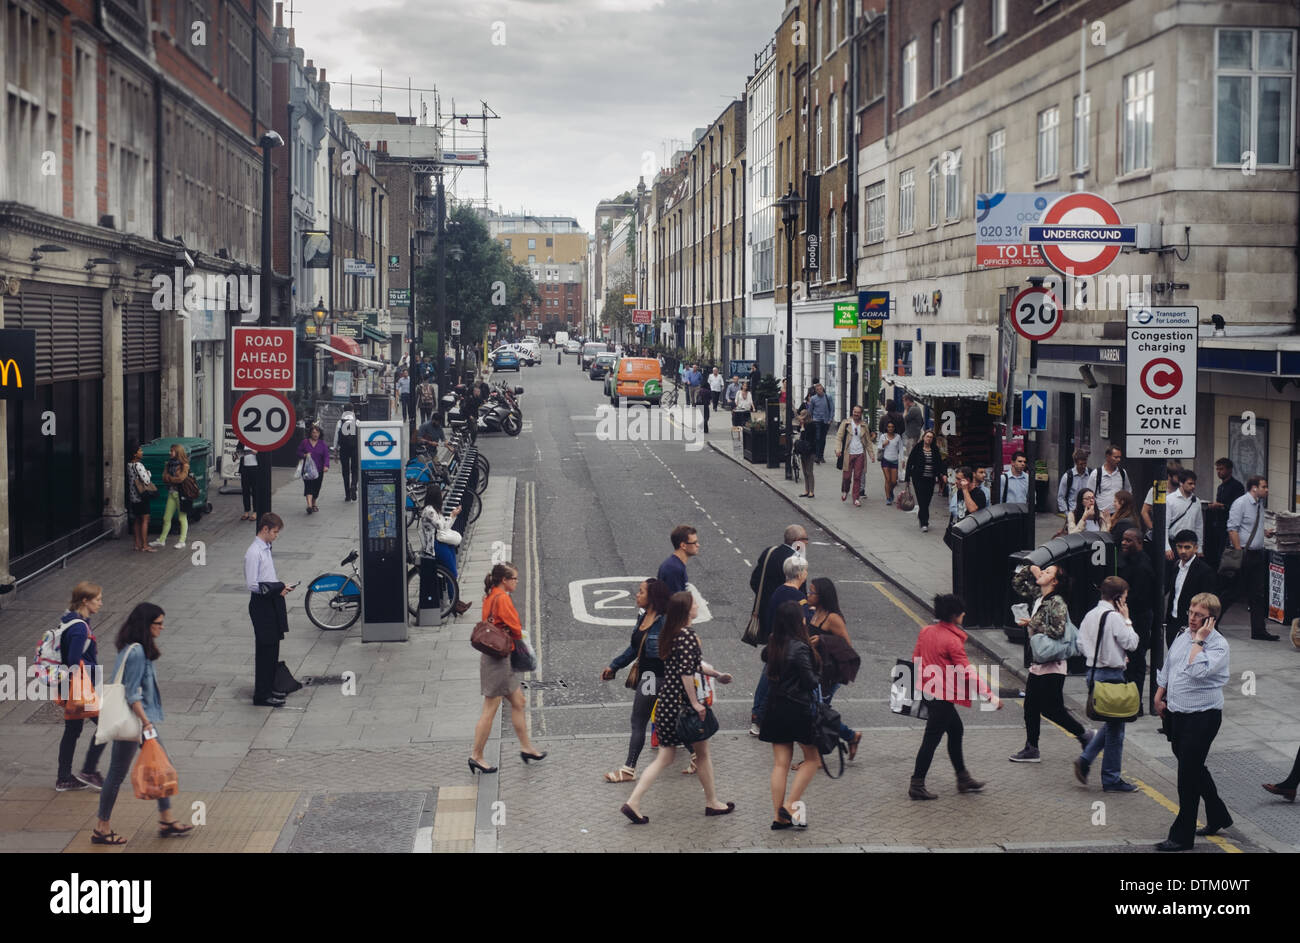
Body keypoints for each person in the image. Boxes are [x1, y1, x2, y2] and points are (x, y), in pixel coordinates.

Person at [620, 591, 735, 823]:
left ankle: (633, 802)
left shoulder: (670, 634)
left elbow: (691, 664)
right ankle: (712, 803)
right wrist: (695, 703)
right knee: (702, 754)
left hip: (666, 705)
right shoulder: (689, 635)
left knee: (666, 756)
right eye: (694, 603)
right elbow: (686, 672)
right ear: (687, 610)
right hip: (682, 707)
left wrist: (717, 674)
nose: (698, 605)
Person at [91, 603, 193, 845]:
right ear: (146, 625)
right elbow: (132, 694)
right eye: (158, 623)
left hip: (141, 720)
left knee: (161, 765)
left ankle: (166, 819)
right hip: (135, 721)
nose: (162, 627)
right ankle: (101, 828)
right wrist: (146, 723)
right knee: (117, 773)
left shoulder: (138, 648)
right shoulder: (136, 652)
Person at [1154, 593, 1232, 850]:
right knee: (1194, 767)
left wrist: (1200, 641)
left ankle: (1181, 836)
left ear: (1211, 619)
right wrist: (1159, 693)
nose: (1192, 618)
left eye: (1199, 615)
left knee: (1187, 775)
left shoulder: (1218, 645)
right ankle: (1218, 813)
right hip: (1177, 713)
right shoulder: (1181, 635)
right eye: (1190, 612)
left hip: (1203, 716)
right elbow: (1170, 664)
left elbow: (1197, 671)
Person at [908, 593, 1002, 800]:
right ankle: (917, 783)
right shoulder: (952, 641)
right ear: (954, 616)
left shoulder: (926, 632)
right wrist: (989, 695)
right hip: (941, 697)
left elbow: (915, 659)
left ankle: (963, 777)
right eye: (961, 612)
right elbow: (967, 672)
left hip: (928, 692)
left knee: (956, 730)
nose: (964, 614)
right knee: (931, 740)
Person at [469, 563, 547, 774]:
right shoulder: (502, 598)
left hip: (497, 657)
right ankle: (476, 755)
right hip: (497, 662)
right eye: (514, 579)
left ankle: (526, 747)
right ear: (505, 580)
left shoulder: (491, 595)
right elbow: (514, 627)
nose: (516, 582)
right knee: (489, 710)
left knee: (519, 701)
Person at [1010, 563, 1091, 762]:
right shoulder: (1040, 596)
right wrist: (1030, 569)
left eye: (1048, 572)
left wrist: (1032, 623)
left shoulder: (1057, 602)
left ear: (1054, 581)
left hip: (1053, 663)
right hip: (1039, 662)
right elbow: (1017, 585)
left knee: (1052, 709)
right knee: (1030, 706)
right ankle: (1032, 748)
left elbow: (1058, 630)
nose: (1043, 572)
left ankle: (1085, 735)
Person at [601, 578, 674, 783]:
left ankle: (628, 770)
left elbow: (675, 648)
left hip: (660, 677)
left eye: (641, 592)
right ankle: (697, 755)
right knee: (663, 721)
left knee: (640, 720)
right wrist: (614, 665)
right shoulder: (642, 616)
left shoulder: (665, 620)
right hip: (649, 676)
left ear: (652, 597)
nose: (637, 594)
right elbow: (635, 647)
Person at [1074, 576, 1140, 791]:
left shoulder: (1090, 615)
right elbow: (1131, 643)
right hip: (1111, 676)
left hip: (1092, 674)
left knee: (1111, 724)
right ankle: (1111, 779)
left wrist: (1100, 654)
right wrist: (1127, 619)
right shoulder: (1115, 617)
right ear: (1118, 598)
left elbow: (1081, 644)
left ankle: (1085, 760)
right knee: (1116, 732)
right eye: (1125, 598)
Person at [761, 601, 822, 828]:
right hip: (797, 709)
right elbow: (809, 681)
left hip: (775, 708)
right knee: (812, 760)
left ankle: (778, 817)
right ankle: (789, 805)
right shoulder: (800, 647)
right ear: (798, 621)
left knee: (780, 764)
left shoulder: (773, 643)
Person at [748, 526, 808, 734]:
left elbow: (755, 581)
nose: (807, 543)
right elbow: (803, 594)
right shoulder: (796, 561)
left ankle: (763, 710)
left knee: (773, 662)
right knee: (775, 666)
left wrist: (766, 601)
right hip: (788, 621)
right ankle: (761, 713)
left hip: (768, 613)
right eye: (806, 539)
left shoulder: (769, 551)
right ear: (797, 541)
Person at [54, 582, 106, 792]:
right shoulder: (78, 627)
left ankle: (64, 778)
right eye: (98, 599)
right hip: (80, 688)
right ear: (85, 600)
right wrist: (93, 670)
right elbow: (74, 660)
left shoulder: (70, 621)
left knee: (72, 730)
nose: (101, 604)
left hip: (70, 686)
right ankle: (88, 771)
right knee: (108, 726)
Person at [805, 577, 862, 760]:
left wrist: (823, 640)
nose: (809, 594)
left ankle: (816, 759)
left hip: (829, 675)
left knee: (819, 714)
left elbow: (847, 646)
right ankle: (851, 736)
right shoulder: (815, 612)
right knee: (818, 712)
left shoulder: (833, 618)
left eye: (812, 592)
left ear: (822, 595)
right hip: (816, 671)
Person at [1219, 475, 1279, 640]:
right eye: (1264, 487)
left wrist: (1265, 532)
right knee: (1234, 591)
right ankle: (1213, 621)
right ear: (1254, 488)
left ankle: (1258, 630)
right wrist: (1239, 551)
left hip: (1257, 554)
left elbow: (1251, 527)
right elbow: (1232, 529)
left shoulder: (1259, 504)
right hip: (1244, 553)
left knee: (1257, 593)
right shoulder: (1241, 503)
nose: (1266, 490)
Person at [245, 513, 293, 707]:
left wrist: (280, 588)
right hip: (261, 604)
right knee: (265, 649)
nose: (276, 535)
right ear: (264, 529)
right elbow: (252, 584)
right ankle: (262, 694)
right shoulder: (254, 552)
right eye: (274, 532)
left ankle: (269, 687)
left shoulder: (265, 549)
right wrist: (276, 588)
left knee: (273, 647)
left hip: (272, 599)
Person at [1117, 528, 1157, 707]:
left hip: (1138, 620)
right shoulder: (1128, 561)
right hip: (1129, 618)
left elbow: (1140, 598)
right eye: (1123, 540)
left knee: (1136, 662)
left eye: (1129, 540)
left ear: (1139, 543)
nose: (1124, 543)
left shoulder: (1142, 567)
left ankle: (1135, 703)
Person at [419, 485, 472, 616]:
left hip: (442, 542)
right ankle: (455, 603)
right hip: (434, 545)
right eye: (440, 494)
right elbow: (441, 526)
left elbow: (445, 526)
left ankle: (456, 601)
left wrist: (453, 515)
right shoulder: (429, 511)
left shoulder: (435, 510)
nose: (442, 496)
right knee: (451, 572)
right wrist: (449, 515)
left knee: (452, 571)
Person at [149, 444, 190, 549]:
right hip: (172, 493)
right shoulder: (168, 464)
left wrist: (170, 478)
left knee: (182, 518)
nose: (169, 453)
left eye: (172, 451)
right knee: (166, 518)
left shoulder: (184, 465)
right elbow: (164, 477)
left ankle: (182, 541)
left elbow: (181, 479)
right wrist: (171, 479)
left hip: (181, 494)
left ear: (177, 452)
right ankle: (162, 540)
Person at [904, 430, 944, 533]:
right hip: (918, 478)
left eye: (931, 437)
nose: (929, 439)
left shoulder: (934, 449)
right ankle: (924, 522)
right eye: (927, 436)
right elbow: (910, 463)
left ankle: (921, 515)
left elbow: (939, 463)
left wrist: (943, 474)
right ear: (923, 437)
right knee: (922, 501)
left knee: (927, 500)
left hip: (930, 479)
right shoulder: (917, 448)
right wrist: (907, 478)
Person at [835, 404, 875, 506]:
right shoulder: (846, 423)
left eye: (858, 412)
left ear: (861, 414)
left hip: (860, 454)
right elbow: (839, 437)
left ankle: (856, 498)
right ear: (852, 412)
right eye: (854, 411)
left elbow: (868, 441)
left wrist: (871, 454)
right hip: (848, 453)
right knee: (847, 477)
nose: (856, 414)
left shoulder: (864, 425)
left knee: (857, 476)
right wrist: (838, 449)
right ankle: (845, 490)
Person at [126, 444, 156, 551]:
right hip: (142, 496)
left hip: (133, 497)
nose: (142, 452)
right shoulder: (138, 465)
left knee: (137, 520)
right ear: (135, 454)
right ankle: (145, 545)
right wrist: (148, 473)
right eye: (140, 450)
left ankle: (136, 544)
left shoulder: (129, 465)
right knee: (145, 520)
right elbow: (146, 480)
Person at [295, 423, 330, 514]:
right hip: (307, 470)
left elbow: (326, 456)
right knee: (308, 486)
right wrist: (304, 455)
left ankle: (314, 503)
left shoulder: (322, 444)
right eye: (313, 432)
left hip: (319, 470)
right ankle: (309, 506)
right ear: (310, 433)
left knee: (316, 488)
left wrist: (326, 466)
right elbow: (298, 452)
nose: (315, 434)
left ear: (319, 434)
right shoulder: (305, 442)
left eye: (317, 432)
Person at [657, 524, 698, 596]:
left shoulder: (673, 564)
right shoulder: (674, 569)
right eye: (694, 542)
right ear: (683, 545)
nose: (698, 545)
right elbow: (676, 602)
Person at [1090, 445, 1131, 510]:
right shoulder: (1096, 474)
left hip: (1118, 514)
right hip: (1101, 515)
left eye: (1120, 457)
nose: (1119, 460)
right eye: (1116, 457)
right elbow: (1089, 495)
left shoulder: (1122, 473)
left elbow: (1128, 492)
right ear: (1107, 457)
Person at [333, 404, 359, 502]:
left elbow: (336, 436)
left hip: (344, 449)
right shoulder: (357, 422)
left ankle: (347, 495)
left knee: (345, 471)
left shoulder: (340, 422)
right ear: (352, 411)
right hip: (354, 448)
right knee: (355, 469)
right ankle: (353, 485)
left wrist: (335, 450)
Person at [878, 419, 903, 505]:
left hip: (894, 461)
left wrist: (902, 460)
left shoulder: (898, 437)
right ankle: (888, 498)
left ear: (894, 428)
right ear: (886, 428)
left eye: (892, 427)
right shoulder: (883, 436)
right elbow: (879, 447)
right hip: (885, 460)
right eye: (889, 427)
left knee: (894, 481)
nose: (890, 428)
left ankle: (890, 490)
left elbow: (901, 449)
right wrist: (883, 444)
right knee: (888, 479)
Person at [808, 384, 832, 463]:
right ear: (815, 390)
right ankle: (817, 456)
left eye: (820, 389)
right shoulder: (813, 399)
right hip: (816, 421)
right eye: (817, 389)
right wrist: (810, 419)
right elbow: (810, 410)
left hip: (825, 421)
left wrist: (830, 419)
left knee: (823, 439)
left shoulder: (828, 397)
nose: (819, 391)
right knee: (817, 438)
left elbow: (832, 409)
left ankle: (821, 456)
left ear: (823, 389)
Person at [796, 409, 817, 498]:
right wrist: (801, 425)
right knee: (804, 471)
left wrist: (803, 428)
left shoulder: (812, 425)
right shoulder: (802, 424)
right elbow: (799, 431)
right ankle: (806, 490)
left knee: (809, 471)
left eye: (802, 416)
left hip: (810, 451)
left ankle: (811, 491)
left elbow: (807, 436)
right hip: (803, 450)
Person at [902, 393, 925, 457]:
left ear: (908, 401)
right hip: (913, 434)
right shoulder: (915, 408)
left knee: (910, 453)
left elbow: (904, 418)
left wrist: (906, 409)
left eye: (904, 401)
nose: (903, 403)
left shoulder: (913, 409)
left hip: (912, 435)